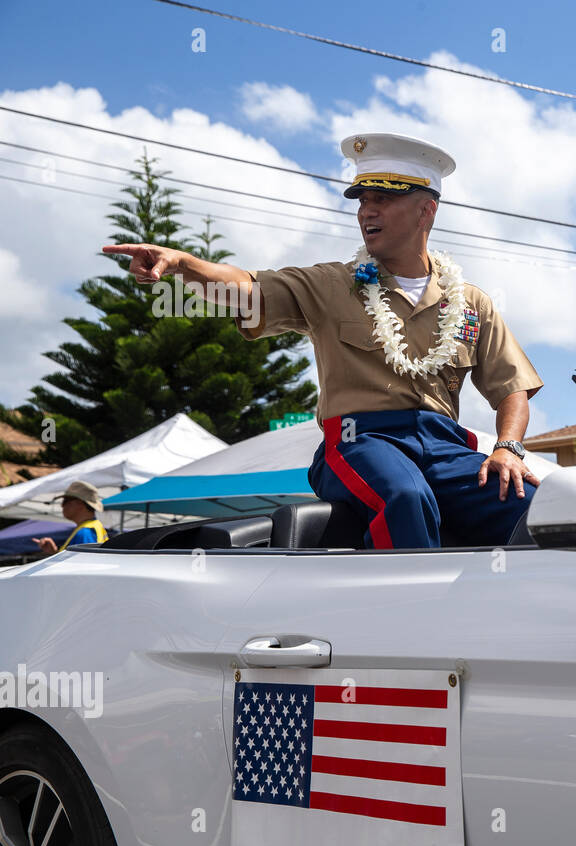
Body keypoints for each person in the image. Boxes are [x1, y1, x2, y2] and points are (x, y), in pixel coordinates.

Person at [103, 133, 544, 549]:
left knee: (530, 507)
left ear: (426, 210)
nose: (367, 212)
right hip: (362, 441)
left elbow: (512, 387)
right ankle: (410, 622)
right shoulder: (332, 284)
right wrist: (182, 263)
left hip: (446, 447)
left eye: (384, 199)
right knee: (404, 498)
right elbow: (246, 287)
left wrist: (508, 448)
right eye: (363, 201)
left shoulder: (469, 300)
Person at [33, 480, 109, 554]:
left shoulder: (85, 533)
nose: (62, 505)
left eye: (65, 501)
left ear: (79, 503)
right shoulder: (94, 526)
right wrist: (54, 552)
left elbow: (83, 564)